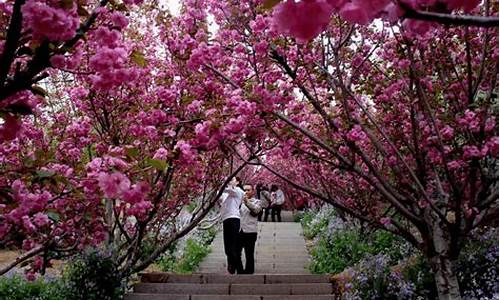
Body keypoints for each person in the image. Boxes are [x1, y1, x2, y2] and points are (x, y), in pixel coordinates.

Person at [220, 177, 244, 274]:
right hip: (226, 219)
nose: (229, 180)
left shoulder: (238, 191)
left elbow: (230, 190)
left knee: (233, 246)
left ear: (237, 182)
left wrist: (219, 185)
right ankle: (232, 268)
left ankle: (239, 269)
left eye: (232, 179)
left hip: (234, 218)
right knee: (227, 247)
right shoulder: (226, 193)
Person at [239, 184, 262, 274]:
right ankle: (240, 270)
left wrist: (247, 202)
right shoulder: (238, 202)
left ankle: (249, 271)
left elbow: (256, 211)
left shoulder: (257, 202)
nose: (246, 192)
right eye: (244, 190)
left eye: (248, 190)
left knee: (249, 253)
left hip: (250, 231)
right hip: (239, 231)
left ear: (253, 191)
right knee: (236, 252)